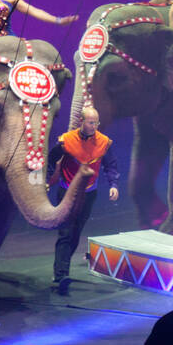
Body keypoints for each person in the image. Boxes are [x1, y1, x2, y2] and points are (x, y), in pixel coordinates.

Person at [46, 105, 120, 294]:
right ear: (81, 122)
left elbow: (110, 165)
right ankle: (61, 274)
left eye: (96, 122)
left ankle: (62, 266)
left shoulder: (103, 142)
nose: (94, 126)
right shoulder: (67, 141)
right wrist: (45, 181)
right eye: (90, 122)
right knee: (65, 232)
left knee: (76, 233)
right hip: (67, 192)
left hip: (89, 194)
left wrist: (113, 185)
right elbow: (50, 160)